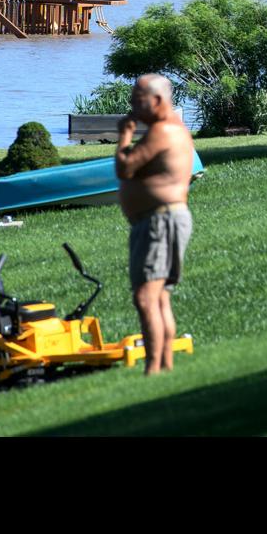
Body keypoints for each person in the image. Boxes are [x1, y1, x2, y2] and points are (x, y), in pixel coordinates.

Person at [114, 74, 197, 376]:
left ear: (158, 101)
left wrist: (124, 134)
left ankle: (153, 369)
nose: (132, 106)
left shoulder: (162, 131)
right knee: (159, 297)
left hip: (159, 220)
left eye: (138, 100)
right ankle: (164, 367)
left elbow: (125, 168)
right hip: (158, 219)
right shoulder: (171, 129)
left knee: (146, 297)